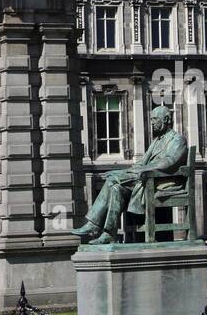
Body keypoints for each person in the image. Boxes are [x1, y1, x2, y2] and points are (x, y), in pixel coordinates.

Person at [72, 104, 188, 245]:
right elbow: (142, 161)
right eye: (151, 119)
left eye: (155, 119)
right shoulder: (157, 141)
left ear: (166, 119)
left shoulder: (178, 140)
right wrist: (130, 170)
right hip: (146, 177)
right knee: (115, 188)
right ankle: (109, 233)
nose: (151, 122)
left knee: (111, 180)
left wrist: (143, 169)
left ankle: (93, 225)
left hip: (162, 181)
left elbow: (169, 161)